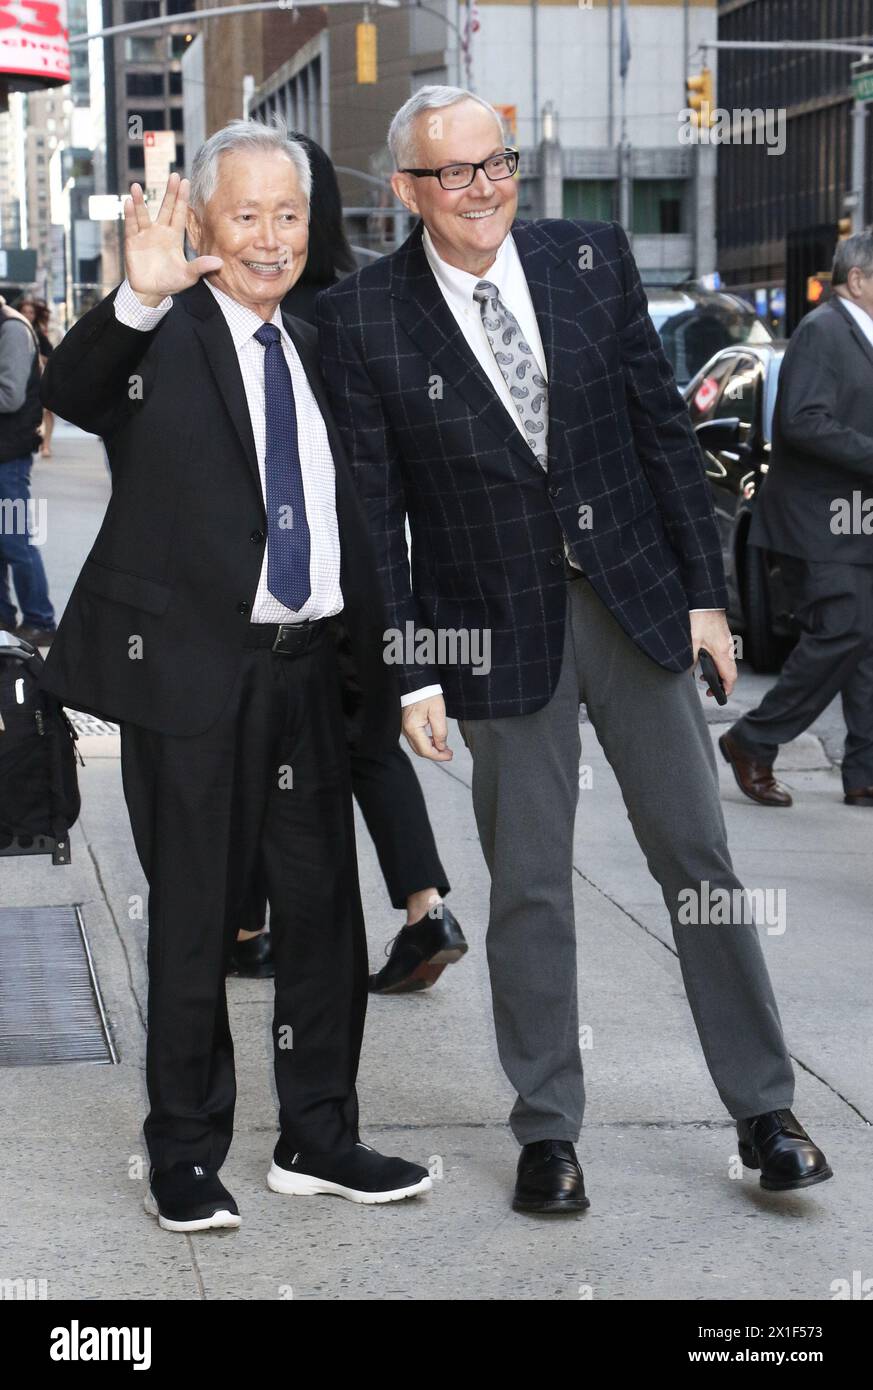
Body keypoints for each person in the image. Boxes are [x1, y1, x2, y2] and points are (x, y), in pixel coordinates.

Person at [317, 85, 832, 1213]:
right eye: (452, 173)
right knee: (531, 889)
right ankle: (549, 1131)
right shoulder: (363, 319)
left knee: (700, 862)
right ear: (407, 190)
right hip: (494, 633)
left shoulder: (588, 258)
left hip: (638, 604)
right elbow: (373, 510)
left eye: (494, 163)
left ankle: (764, 1111)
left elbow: (661, 432)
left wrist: (706, 595)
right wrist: (411, 665)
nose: (482, 187)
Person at [39, 120, 432, 1232]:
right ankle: (183, 1151)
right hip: (192, 680)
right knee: (196, 925)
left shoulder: (315, 340)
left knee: (322, 920)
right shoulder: (165, 335)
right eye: (249, 214)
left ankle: (320, 1135)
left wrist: (395, 676)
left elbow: (359, 521)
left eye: (291, 214)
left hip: (309, 678)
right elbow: (71, 389)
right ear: (205, 221)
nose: (271, 238)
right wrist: (138, 295)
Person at [231, 131, 466, 994]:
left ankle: (249, 924)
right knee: (370, 744)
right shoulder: (367, 299)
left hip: (289, 571)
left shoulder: (261, 308)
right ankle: (425, 906)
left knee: (259, 745)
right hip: (373, 565)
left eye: (279, 205)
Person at [720, 230, 873, 808]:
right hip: (817, 522)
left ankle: (864, 771)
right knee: (845, 630)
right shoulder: (823, 331)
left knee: (866, 642)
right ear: (856, 279)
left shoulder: (861, 337)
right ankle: (752, 740)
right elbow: (803, 421)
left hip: (855, 521)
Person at [0, 295, 57, 644]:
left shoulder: (12, 329)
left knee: (16, 541)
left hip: (10, 455)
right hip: (5, 452)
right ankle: (5, 617)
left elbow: (10, 396)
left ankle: (40, 619)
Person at [17, 297, 55, 457]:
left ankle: (46, 444)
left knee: (47, 410)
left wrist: (37, 356)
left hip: (40, 377)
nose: (28, 315)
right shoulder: (12, 329)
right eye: (24, 312)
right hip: (20, 378)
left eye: (31, 312)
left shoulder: (39, 333)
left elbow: (51, 356)